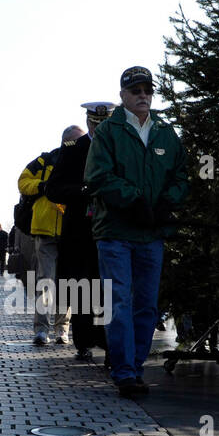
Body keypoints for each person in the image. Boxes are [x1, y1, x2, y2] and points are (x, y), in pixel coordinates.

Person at [84, 67, 189, 397]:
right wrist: (134, 202)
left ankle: (136, 367)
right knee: (119, 302)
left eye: (147, 89)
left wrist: (164, 205)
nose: (143, 95)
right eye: (136, 90)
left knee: (146, 305)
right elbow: (98, 177)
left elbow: (181, 176)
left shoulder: (166, 134)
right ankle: (125, 372)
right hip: (115, 233)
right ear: (123, 96)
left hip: (151, 234)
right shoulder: (108, 133)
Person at [47, 102, 115, 363]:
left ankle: (110, 343)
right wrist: (83, 191)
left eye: (104, 123)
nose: (99, 128)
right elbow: (53, 189)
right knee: (81, 287)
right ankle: (84, 342)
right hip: (79, 231)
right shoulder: (73, 150)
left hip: (110, 227)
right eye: (95, 124)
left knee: (107, 288)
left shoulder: (119, 146)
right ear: (88, 123)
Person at [20, 128, 82, 345]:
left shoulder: (86, 160)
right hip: (45, 229)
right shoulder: (44, 160)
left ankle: (62, 330)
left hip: (72, 230)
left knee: (67, 282)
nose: (78, 144)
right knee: (46, 281)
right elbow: (23, 181)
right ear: (65, 141)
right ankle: (41, 329)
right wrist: (43, 187)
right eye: (74, 141)